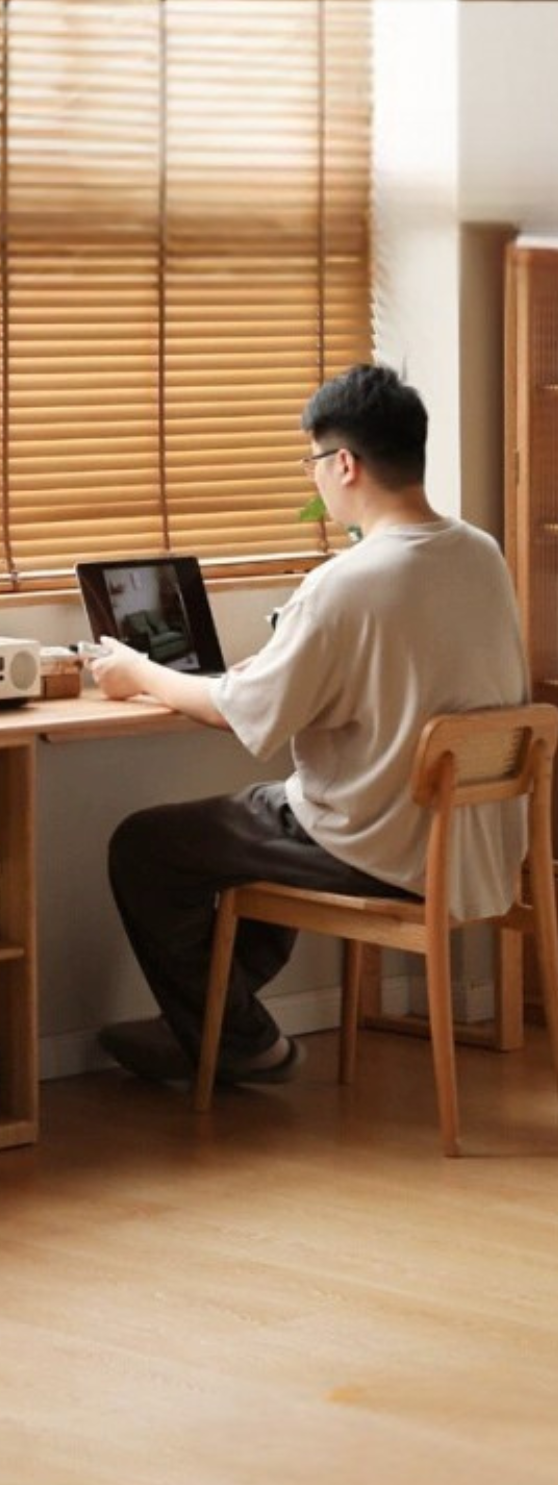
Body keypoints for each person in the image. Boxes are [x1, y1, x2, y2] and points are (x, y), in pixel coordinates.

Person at [90, 363, 529, 1086]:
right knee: (264, 820)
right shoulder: (480, 553)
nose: (314, 480)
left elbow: (239, 710)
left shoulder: (346, 581)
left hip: (386, 847)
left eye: (313, 462)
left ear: (345, 462)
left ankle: (232, 1035)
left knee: (147, 844)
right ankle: (217, 1025)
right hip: (474, 846)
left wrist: (138, 673)